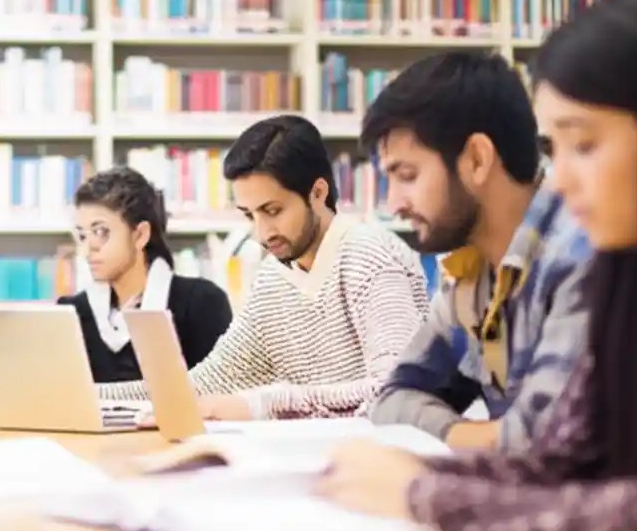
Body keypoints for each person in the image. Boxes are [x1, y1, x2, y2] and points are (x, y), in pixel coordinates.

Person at [317, 0, 637, 531]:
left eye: (583, 145)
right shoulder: (631, 281)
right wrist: (412, 472)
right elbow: (563, 462)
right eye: (553, 148)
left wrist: (422, 494)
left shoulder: (587, 259)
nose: (558, 181)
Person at [100, 115, 429, 420]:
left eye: (272, 210)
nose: (261, 233)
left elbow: (397, 391)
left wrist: (260, 404)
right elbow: (206, 385)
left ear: (317, 193)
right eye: (249, 215)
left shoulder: (371, 257)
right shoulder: (274, 277)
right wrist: (92, 397)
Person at [362, 51, 592, 451]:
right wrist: (465, 435)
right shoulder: (469, 275)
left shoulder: (578, 251)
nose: (394, 203)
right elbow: (393, 397)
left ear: (477, 159)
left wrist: (479, 440)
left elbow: (551, 445)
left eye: (407, 175)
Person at [58, 167, 232, 383]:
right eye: (82, 235)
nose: (88, 248)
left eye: (101, 232)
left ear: (140, 235)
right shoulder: (71, 313)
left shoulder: (201, 303)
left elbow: (216, 390)